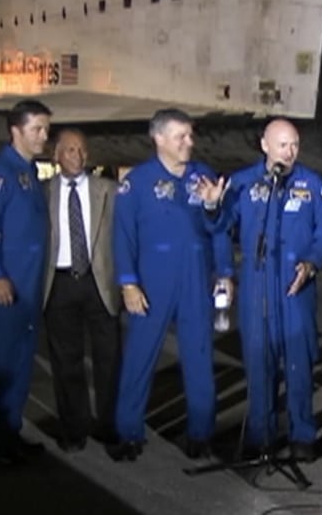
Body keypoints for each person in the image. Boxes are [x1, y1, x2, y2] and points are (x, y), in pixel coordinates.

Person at [203, 118, 322, 462]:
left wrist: (312, 262)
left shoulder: (310, 184)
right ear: (265, 145)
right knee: (258, 362)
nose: (290, 151)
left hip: (296, 285)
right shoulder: (243, 183)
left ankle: (302, 435)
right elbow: (220, 226)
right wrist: (211, 206)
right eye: (283, 145)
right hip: (256, 283)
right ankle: (260, 435)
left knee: (298, 363)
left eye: (295, 144)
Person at [107, 108, 233, 462]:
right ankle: (129, 433)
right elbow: (123, 237)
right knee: (139, 358)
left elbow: (219, 229)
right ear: (158, 138)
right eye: (180, 136)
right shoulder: (137, 183)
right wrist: (128, 284)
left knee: (199, 358)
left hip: (196, 278)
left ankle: (201, 434)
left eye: (191, 135)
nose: (188, 143)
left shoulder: (203, 177)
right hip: (153, 280)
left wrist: (223, 271)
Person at [0, 98, 53, 464]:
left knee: (20, 364)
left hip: (28, 289)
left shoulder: (29, 173)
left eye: (46, 128)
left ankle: (11, 433)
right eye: (37, 129)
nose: (44, 136)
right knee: (1, 366)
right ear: (15, 131)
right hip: (5, 289)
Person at [40, 128, 122, 452]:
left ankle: (109, 426)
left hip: (99, 282)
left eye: (82, 150)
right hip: (59, 284)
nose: (78, 156)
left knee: (109, 359)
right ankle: (73, 428)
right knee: (66, 361)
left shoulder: (109, 191)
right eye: (70, 150)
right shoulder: (43, 192)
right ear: (56, 156)